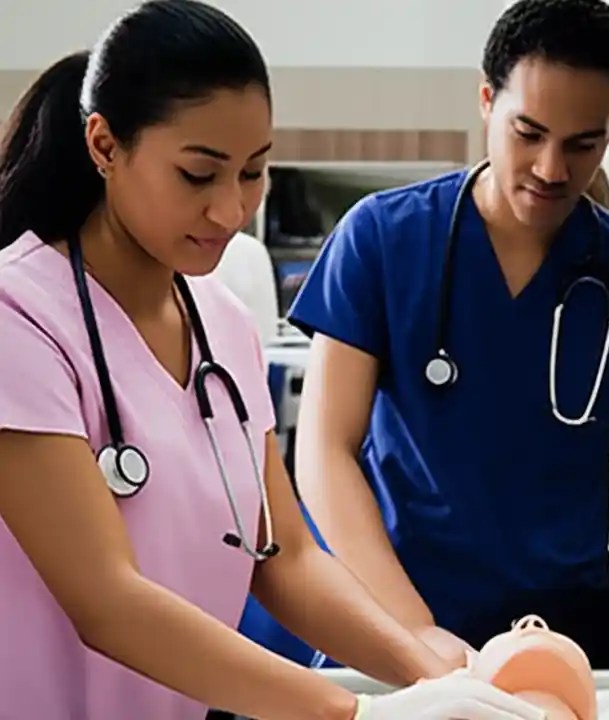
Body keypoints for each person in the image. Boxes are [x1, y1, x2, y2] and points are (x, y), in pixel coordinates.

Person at [0, 2, 549, 718]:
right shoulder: (21, 317)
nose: (230, 211)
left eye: (253, 173)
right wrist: (358, 713)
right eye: (198, 175)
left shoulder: (223, 324)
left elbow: (283, 556)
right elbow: (106, 598)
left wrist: (433, 672)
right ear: (104, 145)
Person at [257, 0, 609, 673]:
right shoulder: (382, 240)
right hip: (391, 632)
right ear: (487, 99)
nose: (552, 168)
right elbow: (325, 453)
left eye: (583, 143)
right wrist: (414, 630)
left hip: (562, 645)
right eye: (529, 132)